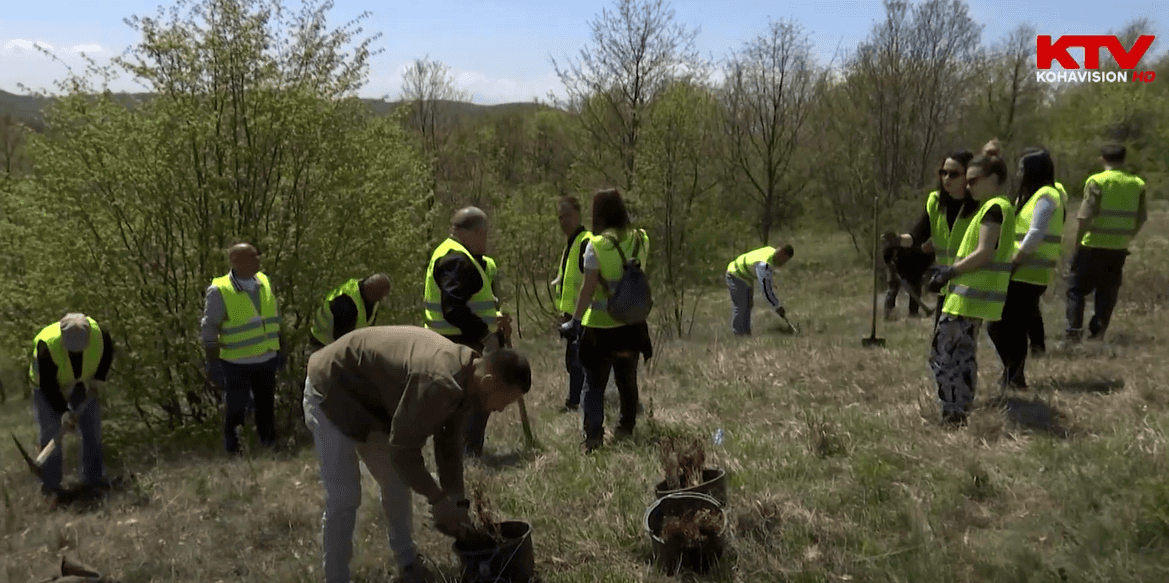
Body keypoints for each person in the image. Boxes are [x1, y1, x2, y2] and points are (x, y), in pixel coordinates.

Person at [302, 325, 532, 583]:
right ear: (489, 383)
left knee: (396, 483)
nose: (501, 410)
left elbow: (448, 444)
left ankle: (408, 563)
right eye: (505, 402)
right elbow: (403, 451)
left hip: (371, 403)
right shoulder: (439, 380)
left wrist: (456, 501)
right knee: (345, 496)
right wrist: (437, 499)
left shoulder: (469, 376)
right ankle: (335, 578)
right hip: (331, 388)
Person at [559, 188, 653, 452]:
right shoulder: (641, 239)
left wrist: (574, 322)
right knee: (627, 381)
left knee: (594, 387)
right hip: (633, 327)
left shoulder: (596, 246)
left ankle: (593, 439)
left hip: (600, 331)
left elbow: (587, 290)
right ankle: (626, 428)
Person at [925, 154, 1016, 425]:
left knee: (945, 357)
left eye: (975, 180)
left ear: (995, 180)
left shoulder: (994, 209)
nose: (968, 186)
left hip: (967, 300)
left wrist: (950, 272)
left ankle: (954, 413)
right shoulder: (993, 208)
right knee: (961, 356)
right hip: (969, 300)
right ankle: (959, 410)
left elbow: (985, 252)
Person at [422, 207, 507, 457]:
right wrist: (486, 334)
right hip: (458, 343)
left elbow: (470, 303)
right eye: (484, 233)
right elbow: (454, 308)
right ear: (470, 233)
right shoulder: (455, 260)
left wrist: (494, 319)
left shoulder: (450, 253)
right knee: (476, 398)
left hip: (449, 342)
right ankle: (467, 455)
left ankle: (462, 454)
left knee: (463, 401)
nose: (486, 239)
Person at [986, 148, 1064, 390]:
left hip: (1029, 272)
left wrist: (1014, 262)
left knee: (1009, 325)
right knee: (1001, 323)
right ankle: (1012, 372)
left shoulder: (1047, 195)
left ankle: (1015, 376)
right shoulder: (1028, 195)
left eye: (1021, 168)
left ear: (1033, 170)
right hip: (1020, 270)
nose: (1018, 173)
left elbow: (1035, 234)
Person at [201, 242, 286, 455]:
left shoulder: (264, 281)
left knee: (266, 407)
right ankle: (234, 452)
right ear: (236, 261)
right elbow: (209, 328)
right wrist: (212, 361)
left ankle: (269, 446)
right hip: (237, 363)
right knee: (236, 410)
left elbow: (273, 319)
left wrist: (280, 348)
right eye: (253, 256)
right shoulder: (220, 289)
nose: (258, 259)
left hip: (266, 359)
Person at [1064, 143, 1148, 343]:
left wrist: (1078, 241)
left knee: (1075, 289)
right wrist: (1128, 237)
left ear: (1102, 159)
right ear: (1124, 160)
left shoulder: (1097, 181)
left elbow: (1084, 216)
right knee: (1107, 291)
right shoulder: (1138, 183)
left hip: (1092, 244)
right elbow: (1141, 217)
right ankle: (1098, 332)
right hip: (1118, 247)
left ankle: (1074, 332)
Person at [884, 151, 978, 327]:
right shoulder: (935, 202)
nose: (947, 178)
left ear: (969, 176)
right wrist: (896, 240)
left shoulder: (981, 205)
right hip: (946, 283)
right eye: (943, 173)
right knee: (941, 340)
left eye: (954, 174)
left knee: (961, 343)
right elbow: (915, 237)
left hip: (972, 281)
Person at [28, 313, 115, 496]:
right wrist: (64, 411)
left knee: (92, 430)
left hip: (82, 383)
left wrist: (98, 379)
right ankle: (52, 487)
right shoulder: (47, 344)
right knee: (51, 432)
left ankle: (94, 480)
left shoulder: (100, 335)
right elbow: (47, 384)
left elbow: (107, 353)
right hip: (47, 388)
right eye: (71, 348)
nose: (75, 351)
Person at [551, 196, 591, 412]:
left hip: (584, 316)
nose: (563, 221)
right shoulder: (571, 244)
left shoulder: (585, 241)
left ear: (578, 214)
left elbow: (591, 281)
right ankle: (574, 402)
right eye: (560, 217)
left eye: (567, 215)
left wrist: (576, 315)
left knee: (580, 364)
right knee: (573, 363)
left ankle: (579, 404)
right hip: (571, 315)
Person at [308, 274, 391, 352]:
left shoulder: (371, 297)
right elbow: (342, 341)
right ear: (371, 291)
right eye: (380, 296)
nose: (381, 300)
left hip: (342, 342)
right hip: (323, 342)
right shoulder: (346, 303)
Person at [724, 244, 794, 335]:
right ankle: (739, 335)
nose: (783, 264)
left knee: (748, 305)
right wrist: (777, 306)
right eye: (784, 260)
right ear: (781, 254)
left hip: (745, 277)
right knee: (741, 306)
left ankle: (746, 334)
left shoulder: (770, 250)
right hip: (735, 274)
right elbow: (766, 290)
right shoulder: (763, 265)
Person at [883, 241, 935, 319]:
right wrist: (892, 266)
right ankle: (888, 313)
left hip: (913, 270)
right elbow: (888, 252)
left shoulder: (930, 256)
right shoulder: (908, 245)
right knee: (893, 288)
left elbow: (925, 268)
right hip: (896, 265)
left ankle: (913, 313)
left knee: (916, 289)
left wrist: (918, 277)